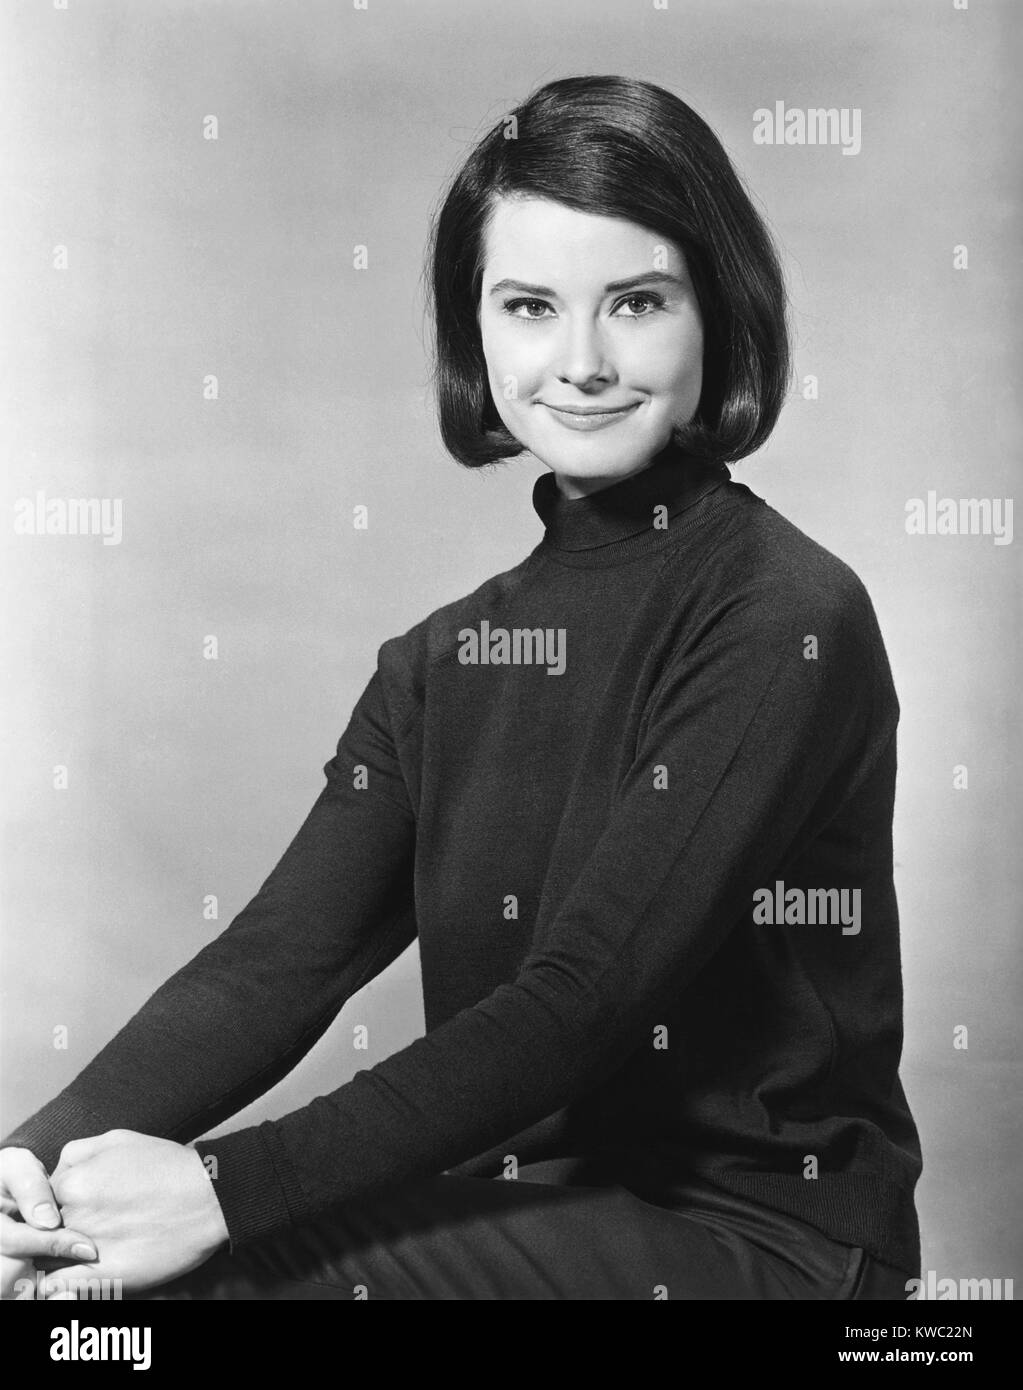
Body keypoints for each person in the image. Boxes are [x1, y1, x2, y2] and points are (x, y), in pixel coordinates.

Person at [1, 74, 922, 1301]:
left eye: (638, 303)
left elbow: (581, 1005)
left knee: (191, 1287)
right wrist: (29, 1174)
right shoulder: (440, 664)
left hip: (763, 1242)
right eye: (532, 305)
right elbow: (273, 967)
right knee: (58, 1288)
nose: (583, 362)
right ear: (475, 334)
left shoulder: (784, 615)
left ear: (719, 314)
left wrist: (220, 1191)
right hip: (532, 1210)